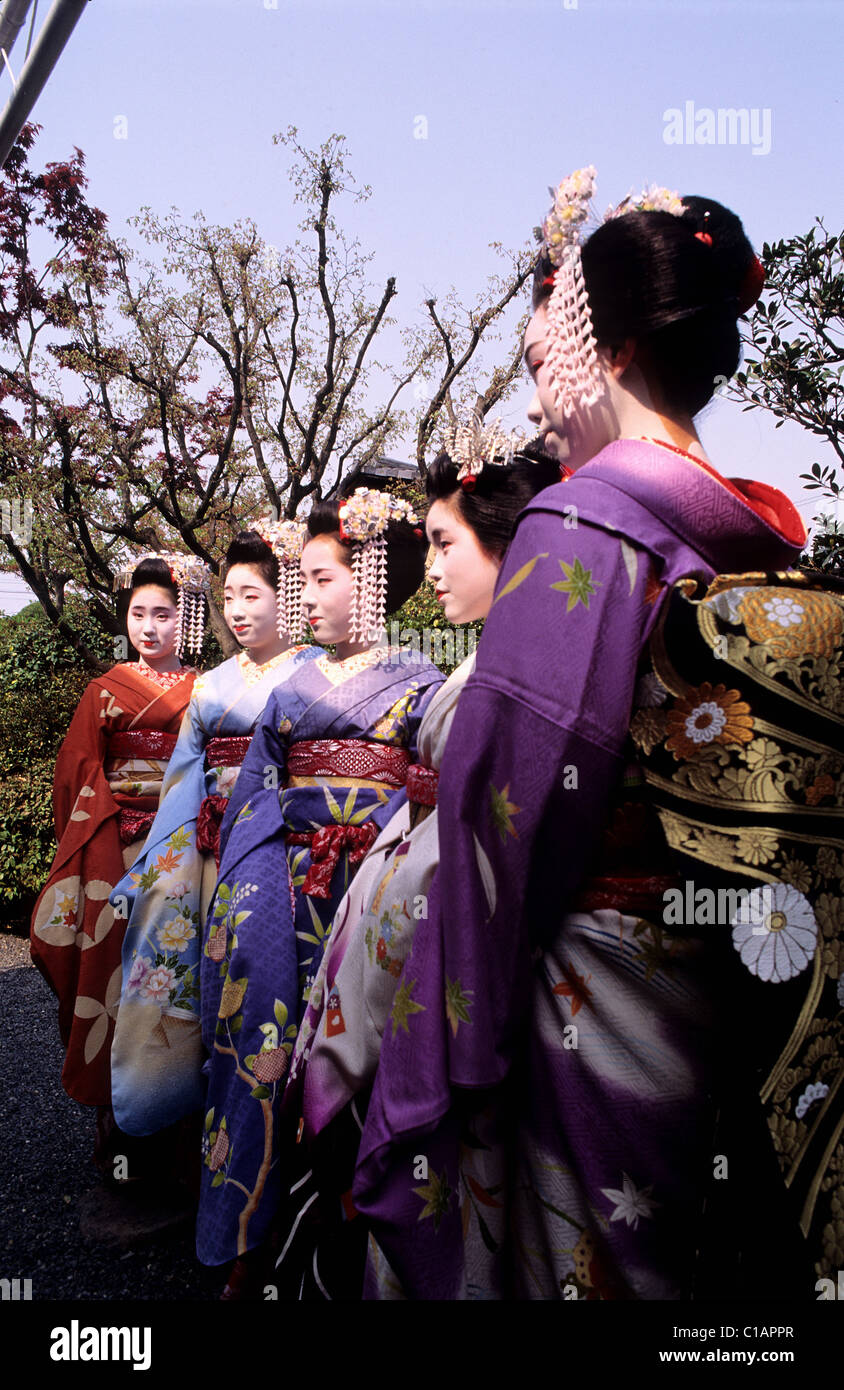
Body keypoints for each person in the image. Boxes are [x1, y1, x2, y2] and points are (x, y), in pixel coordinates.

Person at [353, 171, 812, 1300]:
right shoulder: (752, 532)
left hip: (590, 983)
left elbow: (502, 817)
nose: (539, 406)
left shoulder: (581, 523)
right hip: (723, 967)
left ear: (602, 353)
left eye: (537, 365)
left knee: (569, 1266)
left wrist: (435, 1043)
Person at [196, 489, 443, 1285]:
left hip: (377, 894)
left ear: (369, 576)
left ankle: (352, 1252)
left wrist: (380, 863)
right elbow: (254, 802)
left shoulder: (422, 684)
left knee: (365, 1065)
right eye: (299, 580)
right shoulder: (291, 692)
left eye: (322, 578)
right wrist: (250, 898)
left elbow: (430, 803)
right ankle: (253, 1234)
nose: (306, 597)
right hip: (287, 890)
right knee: (263, 1054)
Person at [292, 429, 561, 1146]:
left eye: (446, 544)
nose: (432, 569)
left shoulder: (505, 674)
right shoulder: (490, 662)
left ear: (507, 542)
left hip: (439, 901)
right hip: (332, 869)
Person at [108, 524, 318, 1144]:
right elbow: (183, 779)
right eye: (229, 596)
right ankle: (188, 1125)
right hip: (203, 851)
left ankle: (268, 1131)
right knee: (195, 975)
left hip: (275, 851)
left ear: (285, 597)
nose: (238, 610)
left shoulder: (311, 675)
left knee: (265, 989)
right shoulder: (211, 683)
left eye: (252, 595)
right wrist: (154, 864)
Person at [30, 553, 206, 1170]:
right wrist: (105, 833)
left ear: (187, 618)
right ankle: (118, 1127)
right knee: (116, 972)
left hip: (185, 844)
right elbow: (77, 773)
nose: (150, 627)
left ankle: (180, 1122)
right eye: (139, 614)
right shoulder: (103, 692)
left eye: (164, 613)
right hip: (117, 844)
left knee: (183, 973)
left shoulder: (207, 688)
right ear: (126, 617)